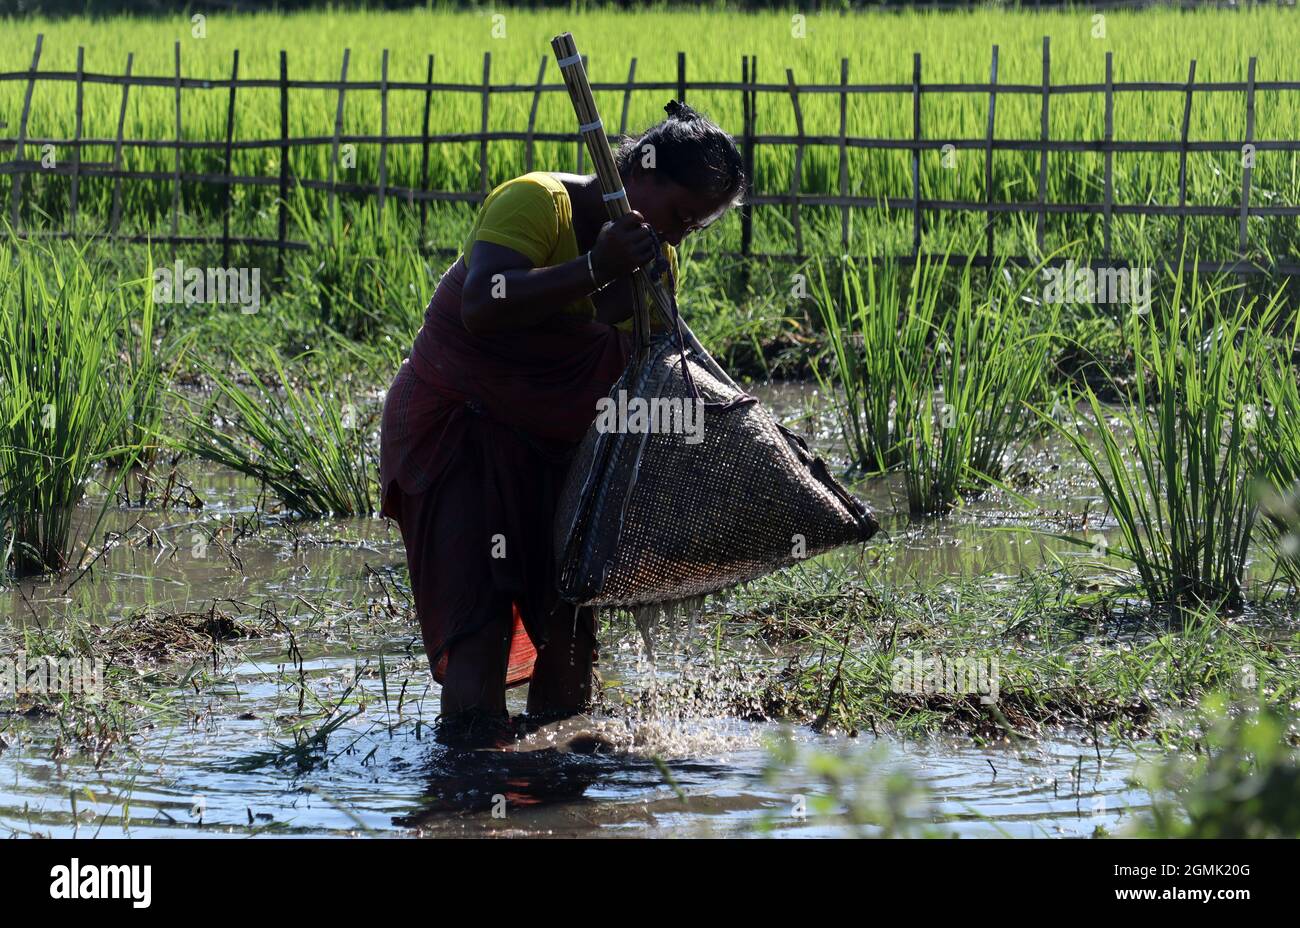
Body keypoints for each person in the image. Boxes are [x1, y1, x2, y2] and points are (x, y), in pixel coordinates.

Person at [379, 100, 746, 745]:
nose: (682, 234)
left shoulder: (654, 258)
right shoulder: (536, 202)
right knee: (481, 622)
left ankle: (555, 774)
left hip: (554, 448)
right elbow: (481, 305)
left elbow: (638, 370)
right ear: (641, 175)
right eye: (681, 214)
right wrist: (594, 268)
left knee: (571, 621)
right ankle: (471, 783)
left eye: (697, 226)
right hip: (462, 431)